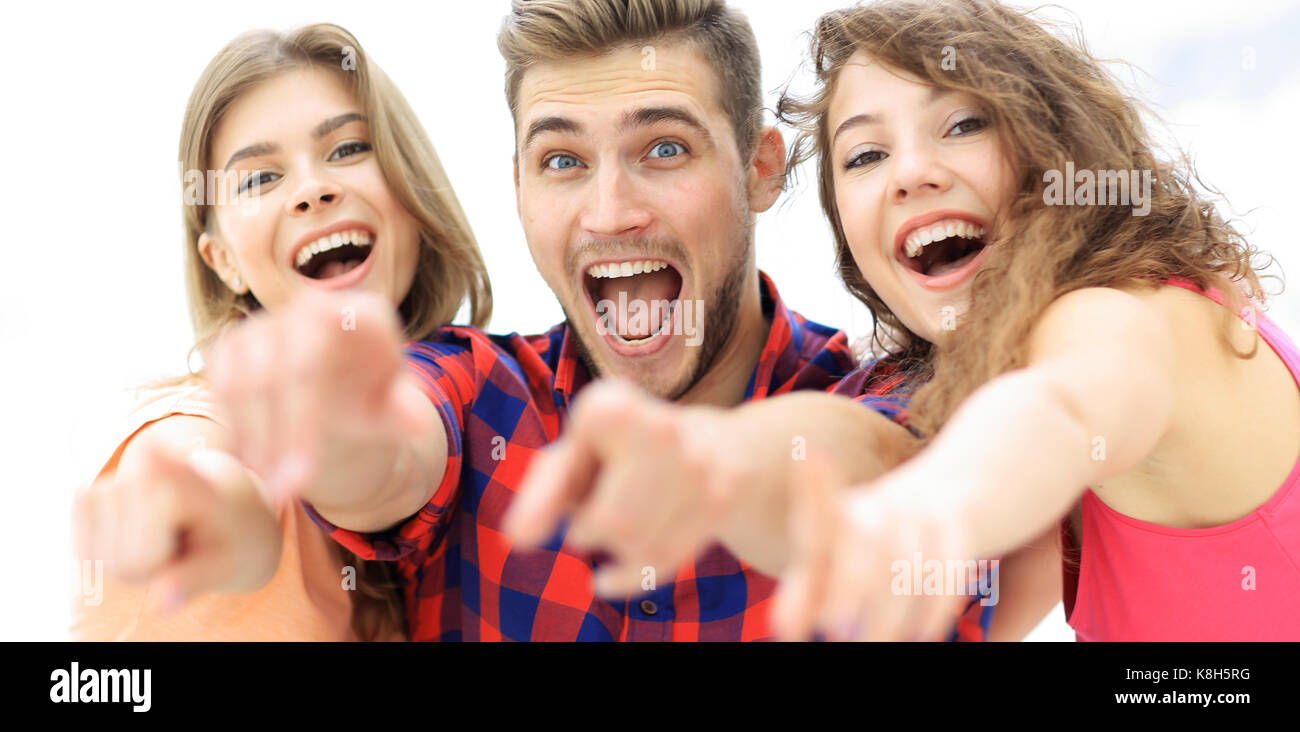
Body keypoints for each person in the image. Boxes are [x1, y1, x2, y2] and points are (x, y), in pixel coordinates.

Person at [302, 0, 990, 641]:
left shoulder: (891, 399)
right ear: (518, 189)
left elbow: (888, 462)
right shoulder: (473, 388)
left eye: (664, 148)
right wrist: (323, 426)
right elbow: (384, 453)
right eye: (563, 161)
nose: (609, 212)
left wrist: (720, 463)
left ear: (759, 167)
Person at [766, 0, 1299, 641]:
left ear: (1057, 147)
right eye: (864, 156)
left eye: (963, 124)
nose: (908, 173)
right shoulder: (1023, 440)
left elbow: (1065, 406)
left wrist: (930, 506)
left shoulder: (1127, 319)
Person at [71, 23, 492, 641]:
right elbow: (221, 487)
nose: (313, 190)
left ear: (410, 190)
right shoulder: (204, 431)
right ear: (224, 262)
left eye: (348, 149)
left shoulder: (472, 406)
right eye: (259, 179)